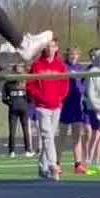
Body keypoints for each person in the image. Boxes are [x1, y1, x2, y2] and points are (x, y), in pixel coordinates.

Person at [26, 38, 70, 180]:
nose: (50, 49)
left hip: (56, 106)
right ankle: (53, 165)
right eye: (48, 46)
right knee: (47, 135)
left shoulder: (60, 66)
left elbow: (65, 85)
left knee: (50, 137)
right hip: (42, 107)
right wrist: (40, 98)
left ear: (56, 48)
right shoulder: (37, 65)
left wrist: (59, 98)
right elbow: (30, 85)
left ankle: (42, 166)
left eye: (53, 46)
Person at [58, 47, 89, 174]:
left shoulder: (81, 68)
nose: (74, 56)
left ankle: (78, 164)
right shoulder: (63, 66)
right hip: (66, 104)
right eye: (71, 54)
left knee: (77, 135)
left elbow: (83, 84)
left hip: (77, 104)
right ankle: (57, 163)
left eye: (76, 54)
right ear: (67, 55)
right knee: (62, 136)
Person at [2, 65, 32, 157]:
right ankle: (27, 151)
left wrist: (11, 103)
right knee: (24, 129)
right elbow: (31, 96)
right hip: (22, 108)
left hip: (14, 108)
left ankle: (12, 151)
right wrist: (26, 103)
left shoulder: (8, 83)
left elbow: (4, 98)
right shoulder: (25, 82)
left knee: (13, 130)